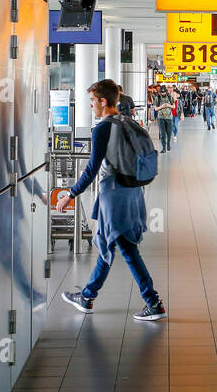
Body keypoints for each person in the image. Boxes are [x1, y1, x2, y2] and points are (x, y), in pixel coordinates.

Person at [57, 79, 166, 321]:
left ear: (103, 101)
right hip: (132, 193)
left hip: (114, 196)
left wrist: (70, 195)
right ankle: (87, 295)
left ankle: (153, 302)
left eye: (92, 101)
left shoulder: (103, 128)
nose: (91, 106)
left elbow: (91, 169)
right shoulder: (128, 122)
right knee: (111, 245)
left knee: (124, 248)